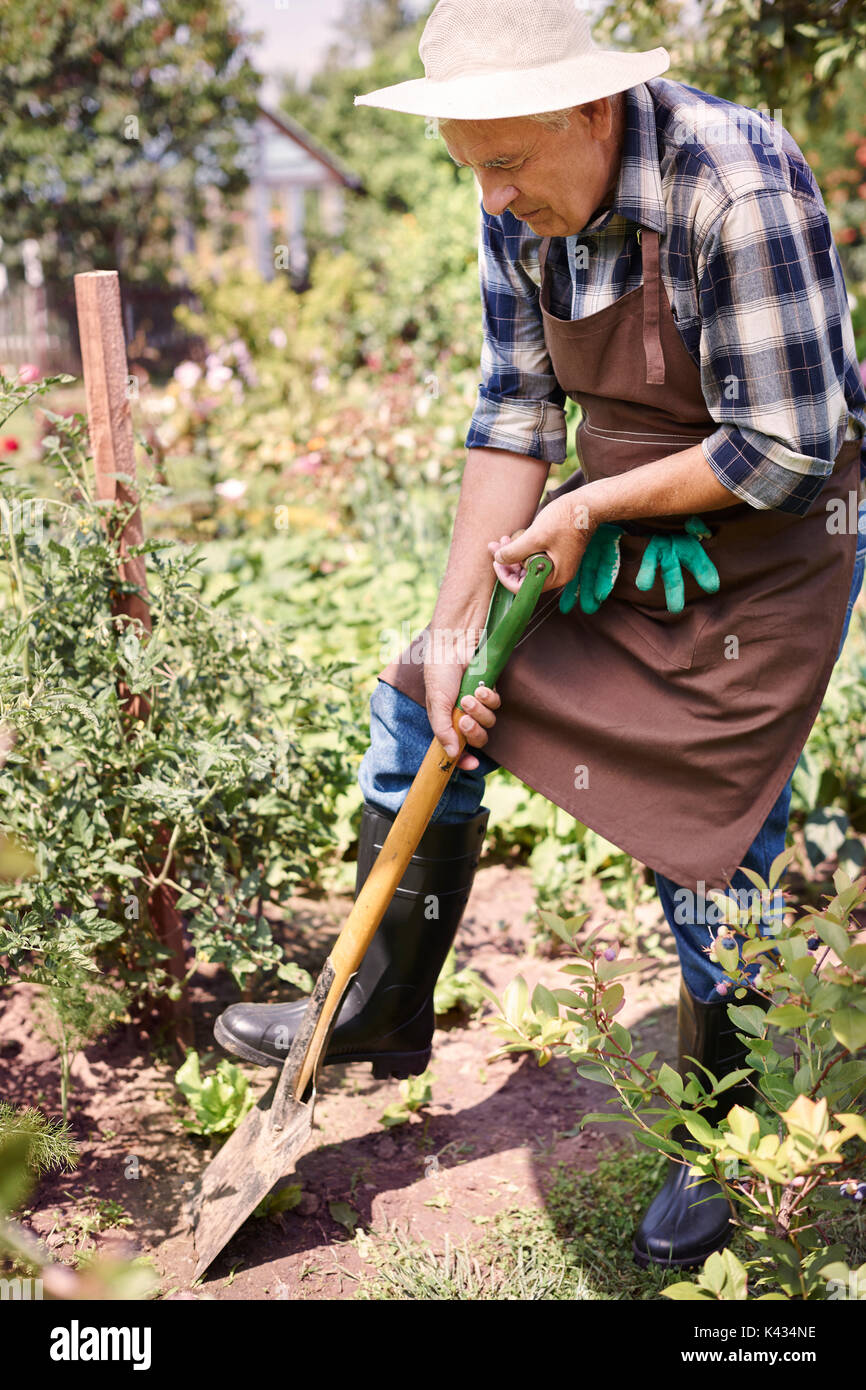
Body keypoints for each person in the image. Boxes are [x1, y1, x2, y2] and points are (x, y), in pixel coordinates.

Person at [215, 0, 866, 1269]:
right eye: (474, 167)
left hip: (768, 541)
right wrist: (458, 628)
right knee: (417, 689)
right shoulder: (514, 191)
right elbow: (512, 411)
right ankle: (377, 1003)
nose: (495, 193)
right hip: (609, 519)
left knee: (717, 830)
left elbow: (789, 443)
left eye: (509, 162)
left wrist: (588, 503)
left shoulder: (729, 182)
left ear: (587, 107)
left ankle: (715, 1129)